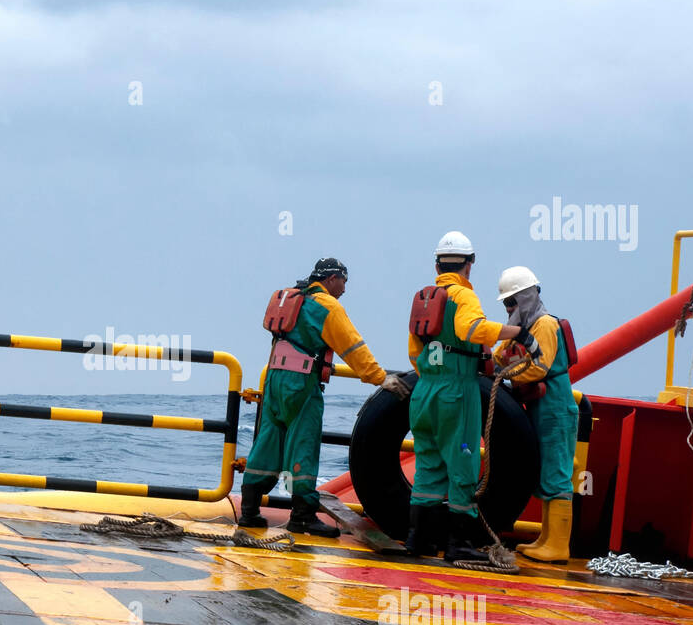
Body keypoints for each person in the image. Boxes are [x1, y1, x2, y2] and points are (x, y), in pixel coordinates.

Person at [239, 258, 411, 537]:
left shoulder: (293, 299)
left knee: (268, 440)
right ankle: (302, 517)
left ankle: (249, 511)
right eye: (344, 281)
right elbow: (352, 347)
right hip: (302, 383)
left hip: (273, 379)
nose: (344, 289)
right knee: (303, 443)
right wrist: (381, 378)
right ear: (332, 279)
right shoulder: (327, 306)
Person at [405, 232, 538, 561]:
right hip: (455, 390)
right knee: (463, 463)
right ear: (469, 265)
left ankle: (418, 540)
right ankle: (458, 544)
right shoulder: (463, 296)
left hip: (424, 392)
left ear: (437, 265)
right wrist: (519, 333)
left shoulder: (425, 298)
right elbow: (472, 330)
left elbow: (413, 351)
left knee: (428, 465)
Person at [493, 266, 578, 562]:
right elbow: (498, 354)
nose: (509, 308)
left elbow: (539, 368)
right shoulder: (522, 327)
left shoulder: (543, 325)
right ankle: (545, 538)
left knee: (557, 472)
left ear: (526, 297)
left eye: (512, 302)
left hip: (555, 407)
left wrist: (505, 371)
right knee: (545, 471)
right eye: (506, 304)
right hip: (540, 407)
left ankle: (558, 546)